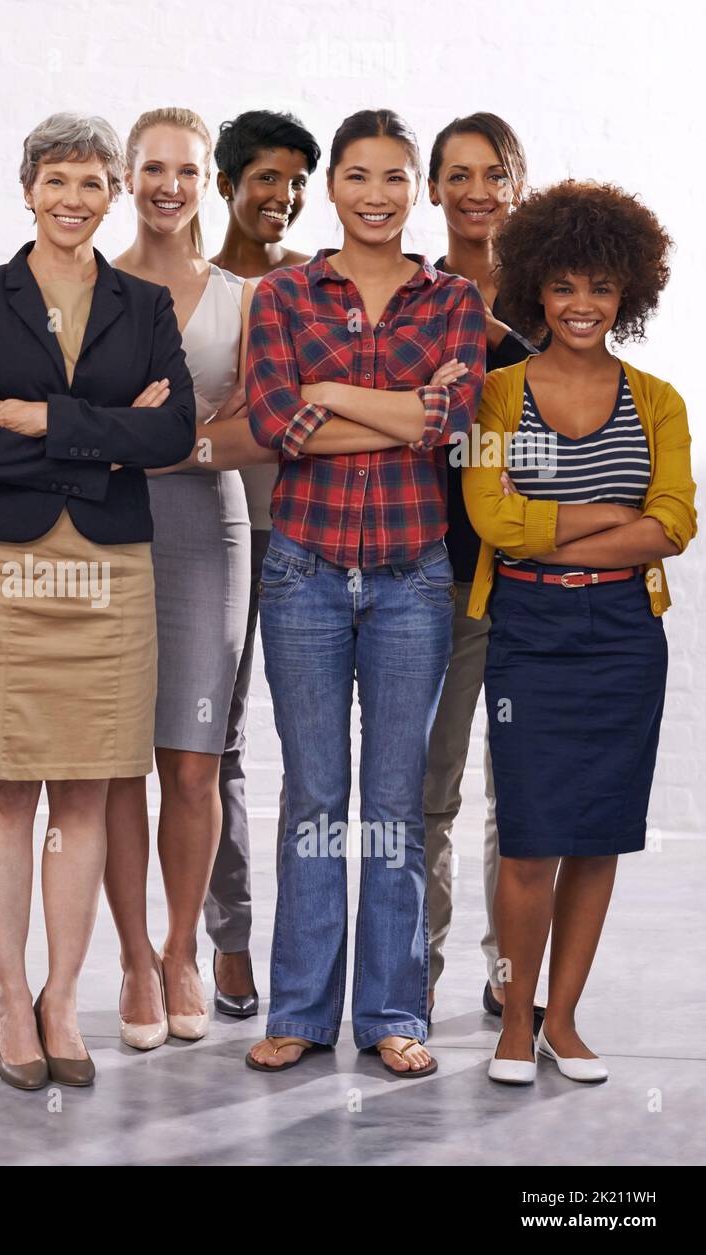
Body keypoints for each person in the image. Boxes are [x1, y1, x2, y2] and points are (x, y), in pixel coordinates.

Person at [0, 112, 195, 1089]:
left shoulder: (143, 302)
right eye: (56, 181)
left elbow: (170, 431)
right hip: (3, 568)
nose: (73, 200)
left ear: (112, 194)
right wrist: (101, 433)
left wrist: (43, 419)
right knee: (3, 785)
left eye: (92, 183)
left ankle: (62, 998)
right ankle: (11, 998)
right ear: (29, 186)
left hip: (108, 572)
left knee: (85, 786)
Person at [244, 109, 485, 1078]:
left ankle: (392, 1011)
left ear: (413, 189)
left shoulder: (453, 297)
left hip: (409, 579)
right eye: (357, 176)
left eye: (393, 177)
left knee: (392, 799)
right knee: (313, 794)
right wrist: (389, 407)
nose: (376, 195)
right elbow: (272, 421)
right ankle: (299, 1011)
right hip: (302, 572)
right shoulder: (283, 294)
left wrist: (330, 391)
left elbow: (449, 424)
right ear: (331, 187)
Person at [463, 181, 694, 1085]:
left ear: (627, 292)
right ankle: (513, 1023)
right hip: (528, 623)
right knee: (528, 833)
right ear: (536, 293)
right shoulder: (494, 397)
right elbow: (491, 518)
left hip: (625, 631)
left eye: (600, 286)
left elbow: (674, 521)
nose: (583, 305)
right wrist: (608, 511)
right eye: (564, 287)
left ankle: (564, 1020)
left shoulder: (660, 400)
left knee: (596, 832)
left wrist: (559, 515)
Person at [104, 107, 251, 1049]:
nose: (169, 184)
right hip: (104, 539)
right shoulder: (87, 285)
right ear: (127, 175)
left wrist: (149, 439)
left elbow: (260, 428)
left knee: (195, 764)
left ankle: (182, 948)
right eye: (151, 166)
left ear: (209, 182)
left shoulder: (245, 297)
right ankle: (128, 961)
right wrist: (184, 436)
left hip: (210, 536)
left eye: (186, 170)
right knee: (116, 763)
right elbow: (63, 424)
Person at [422, 113, 542, 1027]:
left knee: (525, 791)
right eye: (456, 174)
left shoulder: (553, 303)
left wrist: (502, 337)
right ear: (433, 190)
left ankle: (511, 970)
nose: (475, 190)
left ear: (517, 185)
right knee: (431, 788)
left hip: (535, 578)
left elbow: (567, 429)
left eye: (492, 173)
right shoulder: (415, 296)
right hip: (441, 578)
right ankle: (414, 968)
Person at [204, 110, 321, 1018]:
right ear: (227, 183)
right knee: (219, 742)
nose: (279, 197)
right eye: (265, 180)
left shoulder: (318, 284)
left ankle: (315, 959)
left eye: (293, 183)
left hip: (309, 533)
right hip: (215, 533)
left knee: (317, 751)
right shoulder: (190, 287)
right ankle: (231, 939)